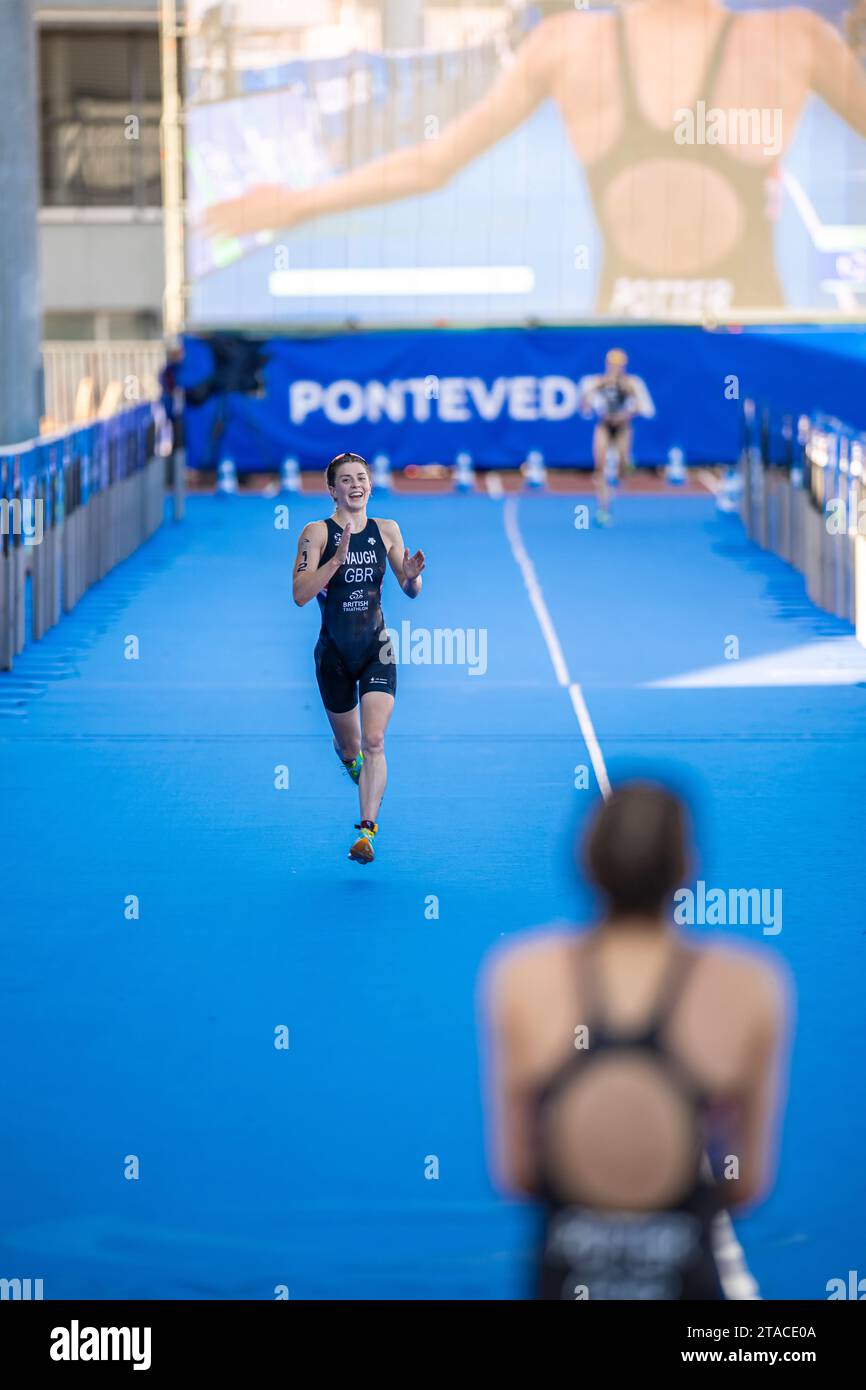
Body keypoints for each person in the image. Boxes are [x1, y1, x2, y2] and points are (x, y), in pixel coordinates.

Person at [201, 0, 866, 316]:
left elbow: (432, 164)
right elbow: (432, 163)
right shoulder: (794, 38)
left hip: (626, 323)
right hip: (753, 324)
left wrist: (295, 203)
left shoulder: (568, 46)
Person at [481, 781, 791, 1300]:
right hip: (685, 1275)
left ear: (585, 862)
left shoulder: (521, 974)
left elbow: (518, 1174)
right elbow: (746, 1183)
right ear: (686, 869)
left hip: (567, 1275)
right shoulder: (749, 983)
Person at [292, 452, 425, 863]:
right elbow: (300, 594)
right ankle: (351, 761)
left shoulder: (387, 529)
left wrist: (413, 573)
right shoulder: (316, 533)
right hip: (333, 654)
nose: (355, 485)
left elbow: (409, 589)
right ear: (332, 489)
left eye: (362, 478)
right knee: (351, 747)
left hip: (375, 648)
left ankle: (366, 832)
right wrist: (335, 561)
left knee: (375, 740)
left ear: (370, 484)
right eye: (346, 479)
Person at [577, 348, 655, 525]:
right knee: (600, 466)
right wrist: (596, 388)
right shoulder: (596, 381)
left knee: (622, 465)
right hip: (604, 426)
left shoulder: (633, 383)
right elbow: (584, 408)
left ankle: (623, 466)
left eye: (618, 366)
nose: (615, 369)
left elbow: (644, 408)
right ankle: (604, 507)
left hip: (623, 427)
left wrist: (628, 405)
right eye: (612, 365)